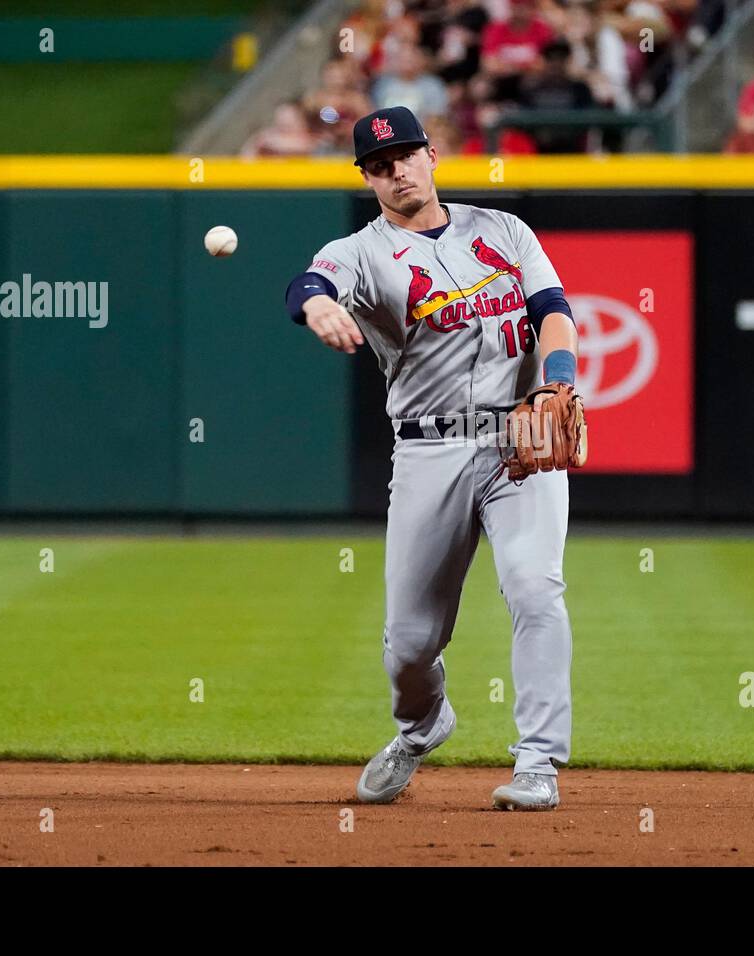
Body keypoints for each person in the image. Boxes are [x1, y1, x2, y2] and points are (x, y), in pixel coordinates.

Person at [284, 106, 580, 811]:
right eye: (380, 166)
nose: (396, 171)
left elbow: (552, 308)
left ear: (433, 156)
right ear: (368, 178)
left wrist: (560, 377)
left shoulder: (503, 230)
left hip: (518, 441)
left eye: (406, 156)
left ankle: (538, 763)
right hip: (429, 449)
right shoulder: (361, 252)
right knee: (410, 647)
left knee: (535, 589)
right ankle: (421, 726)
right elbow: (308, 283)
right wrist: (316, 308)